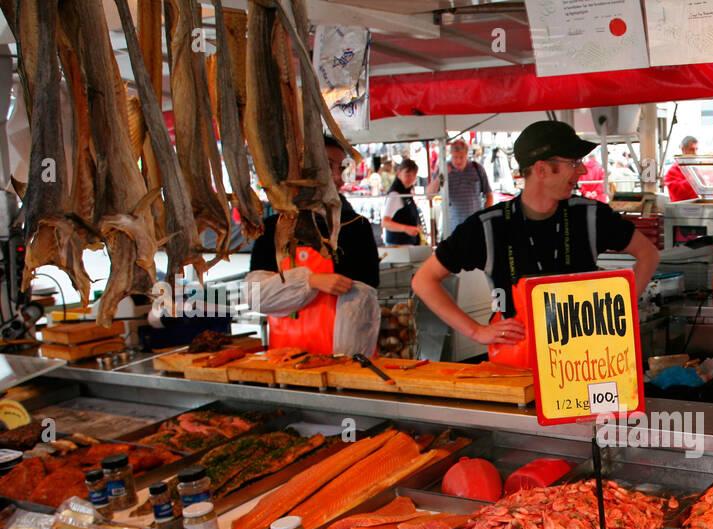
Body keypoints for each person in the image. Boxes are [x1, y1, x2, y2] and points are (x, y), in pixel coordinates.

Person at [411, 120, 659, 358]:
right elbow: (423, 281)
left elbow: (648, 254)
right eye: (574, 162)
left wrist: (621, 311)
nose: (582, 169)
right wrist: (476, 331)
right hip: (519, 366)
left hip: (583, 361)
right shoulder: (488, 226)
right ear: (541, 169)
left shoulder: (591, 215)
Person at [247, 136, 381, 356]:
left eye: (341, 168)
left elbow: (362, 305)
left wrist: (348, 364)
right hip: (285, 363)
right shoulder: (273, 228)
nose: (338, 178)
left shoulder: (356, 227)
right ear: (298, 171)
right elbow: (255, 295)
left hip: (341, 362)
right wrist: (310, 282)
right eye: (328, 166)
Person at [445, 138, 493, 234]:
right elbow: (429, 194)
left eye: (462, 157)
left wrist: (485, 215)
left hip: (475, 226)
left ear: (467, 155)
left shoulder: (477, 168)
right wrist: (441, 177)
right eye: (455, 157)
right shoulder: (444, 169)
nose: (458, 161)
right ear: (451, 155)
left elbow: (489, 194)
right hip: (453, 227)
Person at [382, 158, 425, 245]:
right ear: (398, 172)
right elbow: (385, 223)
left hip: (407, 244)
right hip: (397, 245)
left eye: (414, 175)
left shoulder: (406, 192)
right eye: (408, 174)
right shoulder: (395, 194)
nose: (411, 178)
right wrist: (406, 228)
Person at [663, 135, 700, 202]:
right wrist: (695, 180)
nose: (695, 153)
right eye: (692, 149)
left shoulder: (697, 168)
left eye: (696, 149)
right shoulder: (673, 171)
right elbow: (679, 193)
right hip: (683, 209)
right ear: (683, 149)